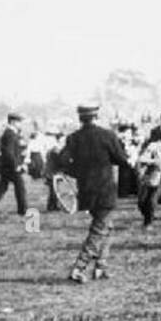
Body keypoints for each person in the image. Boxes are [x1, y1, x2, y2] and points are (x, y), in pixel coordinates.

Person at [62, 104, 130, 282]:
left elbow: (62, 162)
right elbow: (121, 160)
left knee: (107, 227)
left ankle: (101, 266)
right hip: (105, 189)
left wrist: (77, 172)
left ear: (80, 118)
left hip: (86, 190)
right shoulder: (107, 135)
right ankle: (79, 267)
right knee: (100, 229)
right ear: (96, 116)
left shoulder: (73, 138)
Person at [0, 113, 28, 217]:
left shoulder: (10, 133)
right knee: (20, 187)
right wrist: (16, 165)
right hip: (11, 167)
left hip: (6, 166)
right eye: (19, 122)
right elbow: (9, 152)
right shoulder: (10, 133)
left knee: (1, 188)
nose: (21, 124)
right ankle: (22, 210)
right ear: (13, 122)